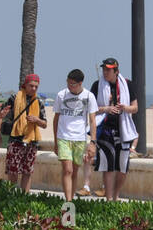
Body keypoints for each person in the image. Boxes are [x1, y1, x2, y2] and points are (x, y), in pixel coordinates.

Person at [92, 58, 138, 201]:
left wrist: (125, 108)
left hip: (123, 130)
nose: (105, 72)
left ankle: (116, 195)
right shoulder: (97, 85)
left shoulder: (127, 85)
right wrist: (106, 108)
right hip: (105, 129)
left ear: (116, 71)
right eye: (104, 69)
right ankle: (109, 198)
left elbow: (135, 108)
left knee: (123, 167)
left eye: (108, 70)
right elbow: (91, 110)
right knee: (108, 166)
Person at [51, 69, 98, 201]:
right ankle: (68, 201)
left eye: (73, 84)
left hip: (80, 138)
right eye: (68, 83)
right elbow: (56, 119)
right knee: (68, 170)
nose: (69, 86)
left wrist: (93, 142)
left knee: (75, 171)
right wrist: (55, 141)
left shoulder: (89, 96)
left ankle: (71, 199)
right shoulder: (61, 95)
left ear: (80, 83)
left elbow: (93, 121)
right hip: (63, 137)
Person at [5, 73, 47, 192]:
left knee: (27, 172)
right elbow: (6, 117)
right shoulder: (14, 99)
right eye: (31, 86)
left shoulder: (38, 102)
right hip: (16, 140)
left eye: (36, 87)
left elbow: (44, 124)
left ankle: (24, 198)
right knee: (12, 171)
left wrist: (36, 120)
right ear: (25, 85)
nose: (33, 88)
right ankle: (10, 196)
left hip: (31, 142)